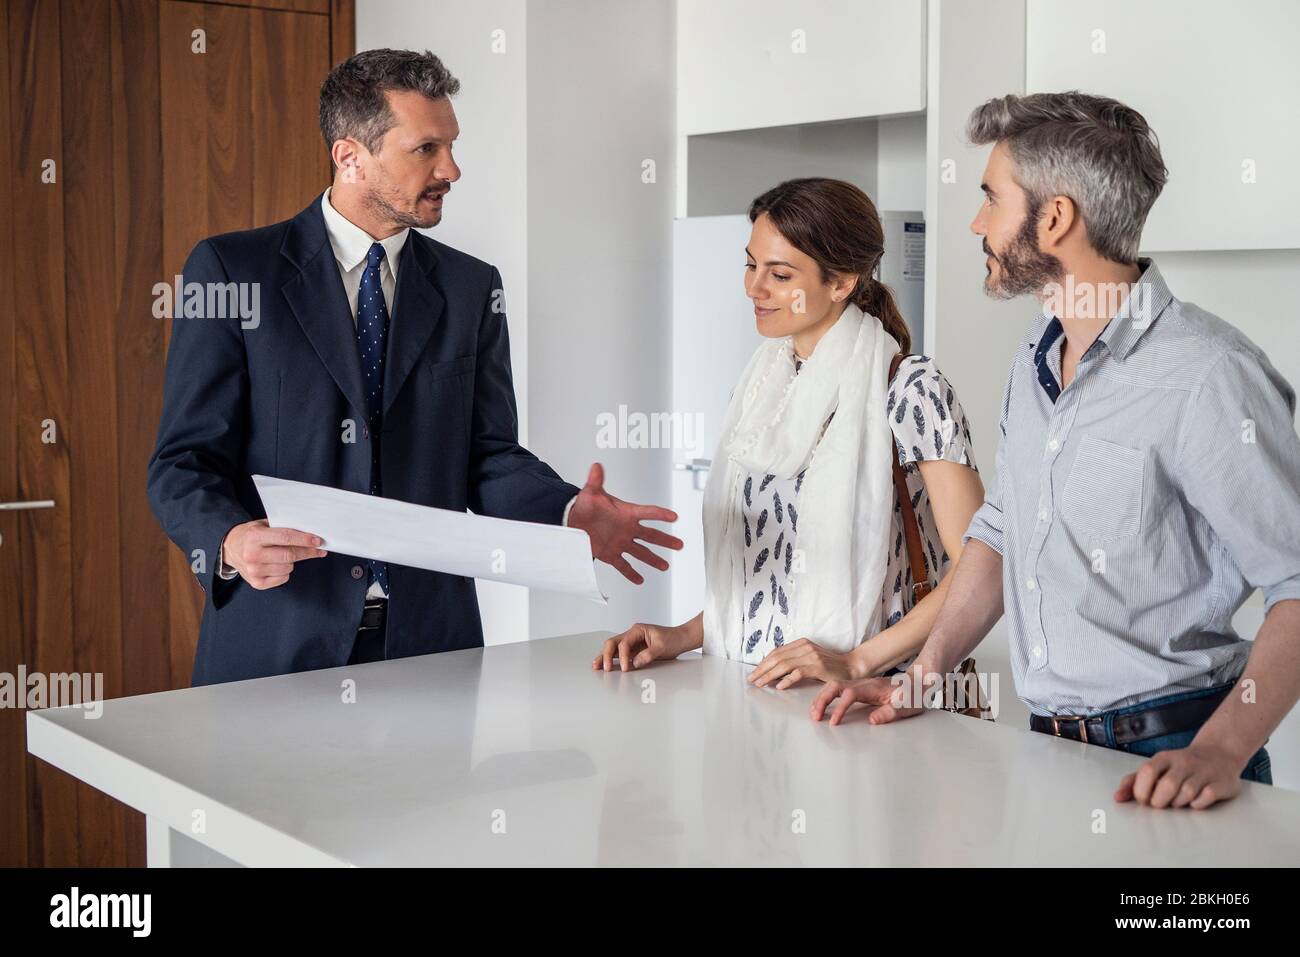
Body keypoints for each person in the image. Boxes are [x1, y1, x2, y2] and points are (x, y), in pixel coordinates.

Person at [812, 92, 1300, 810]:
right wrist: (925, 672)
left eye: (990, 200)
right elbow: (1003, 529)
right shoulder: (1036, 359)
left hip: (1170, 759)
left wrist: (1222, 748)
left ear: (1055, 218)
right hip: (1044, 754)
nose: (976, 223)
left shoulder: (1209, 375)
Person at [148, 49, 681, 685]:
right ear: (350, 156)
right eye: (425, 149)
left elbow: (485, 456)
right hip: (276, 641)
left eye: (450, 146)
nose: (450, 169)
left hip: (433, 647)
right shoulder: (234, 271)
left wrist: (565, 512)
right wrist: (230, 540)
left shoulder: (470, 286)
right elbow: (182, 464)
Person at [593, 178, 984, 680]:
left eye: (779, 274)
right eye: (751, 265)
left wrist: (857, 659)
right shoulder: (760, 389)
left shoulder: (911, 389)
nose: (754, 287)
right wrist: (684, 635)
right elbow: (769, 583)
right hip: (754, 690)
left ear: (841, 282)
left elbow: (978, 564)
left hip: (868, 702)